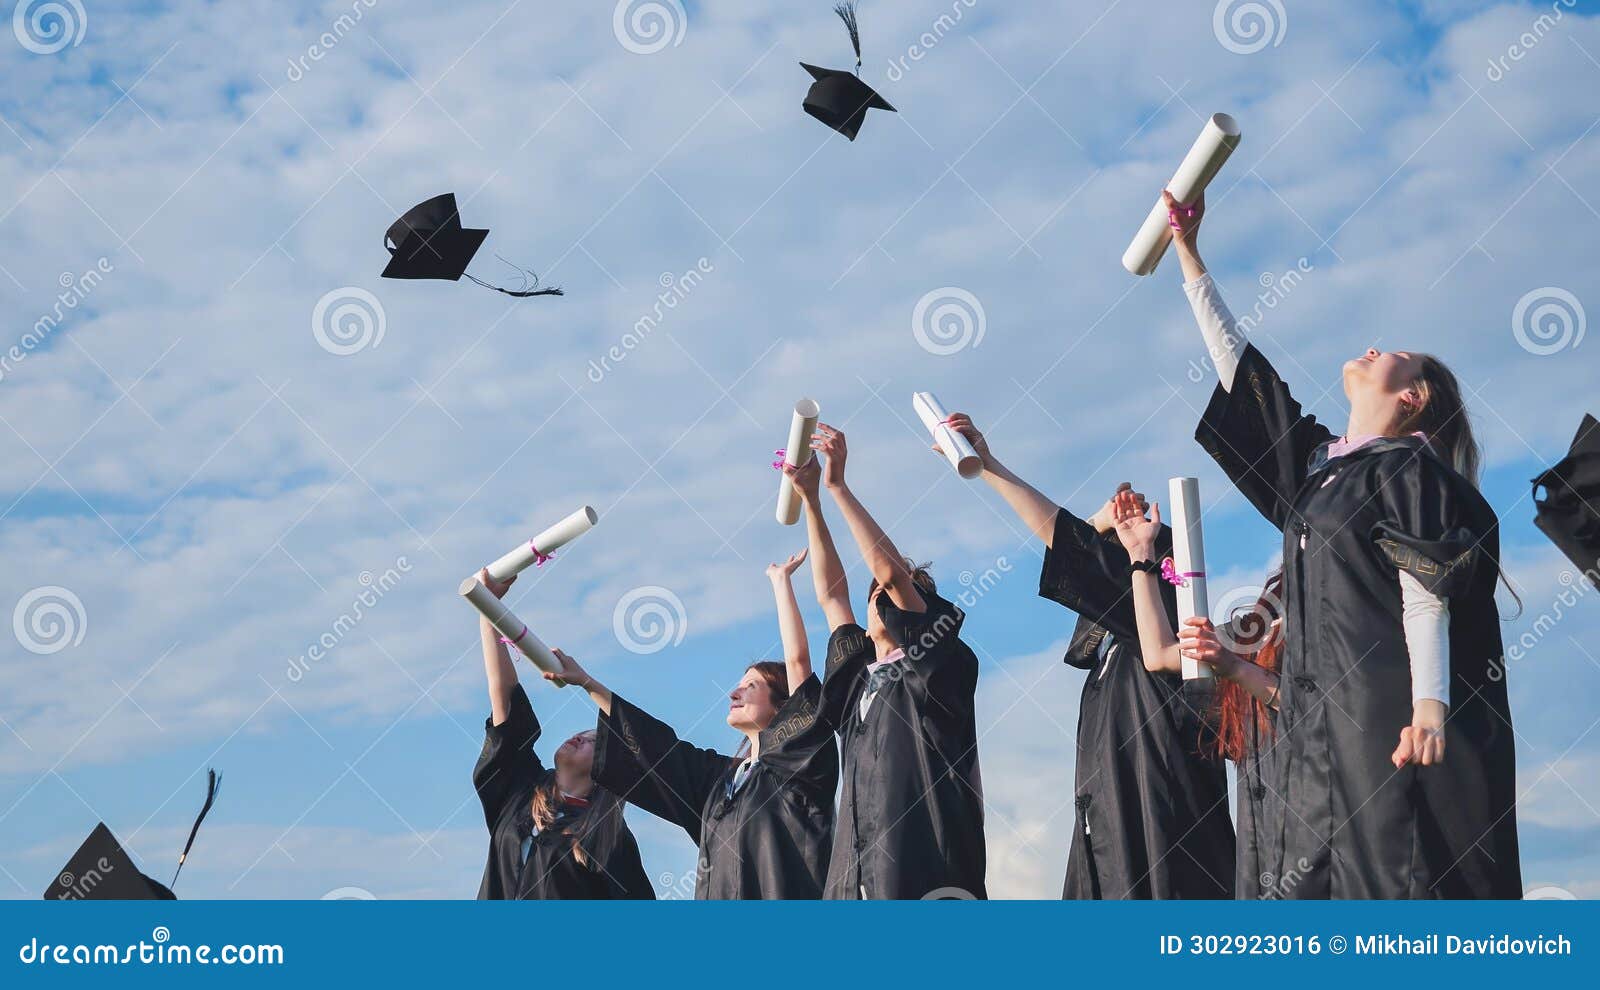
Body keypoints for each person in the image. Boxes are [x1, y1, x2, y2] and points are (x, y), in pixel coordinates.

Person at [1167, 190, 1522, 898]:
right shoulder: (1322, 474)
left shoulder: (1413, 473)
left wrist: (1429, 710)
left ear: (1414, 397)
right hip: (1321, 760)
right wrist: (1189, 254)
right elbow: (1248, 382)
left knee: (1408, 901)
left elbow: (1426, 596)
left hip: (1395, 741)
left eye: (1396, 356)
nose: (1374, 349)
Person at [944, 415, 1235, 899]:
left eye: (1123, 556)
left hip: (1164, 847)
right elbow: (1075, 548)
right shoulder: (1110, 659)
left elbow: (1066, 542)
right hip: (1102, 839)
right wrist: (1100, 524)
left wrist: (989, 466)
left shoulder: (1163, 638)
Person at [543, 552, 838, 899]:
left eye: (752, 686)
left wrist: (780, 583)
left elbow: (798, 663)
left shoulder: (799, 767)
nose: (735, 693)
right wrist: (588, 683)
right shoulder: (721, 782)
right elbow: (659, 749)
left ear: (786, 706)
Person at [791, 423, 986, 900]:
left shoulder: (940, 666)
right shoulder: (858, 684)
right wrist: (811, 501)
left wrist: (837, 487)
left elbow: (892, 574)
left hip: (927, 880)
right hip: (854, 884)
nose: (880, 597)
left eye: (893, 595)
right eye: (873, 594)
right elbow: (832, 597)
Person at [1106, 488, 1284, 898]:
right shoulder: (1262, 632)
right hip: (1271, 837)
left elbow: (1312, 705)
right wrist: (1141, 554)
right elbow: (1160, 654)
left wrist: (1237, 668)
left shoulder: (1357, 627)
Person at [471, 568, 653, 900]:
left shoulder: (609, 837)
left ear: (608, 770)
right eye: (582, 733)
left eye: (594, 741)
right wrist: (488, 609)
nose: (580, 738)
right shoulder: (521, 790)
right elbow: (503, 697)